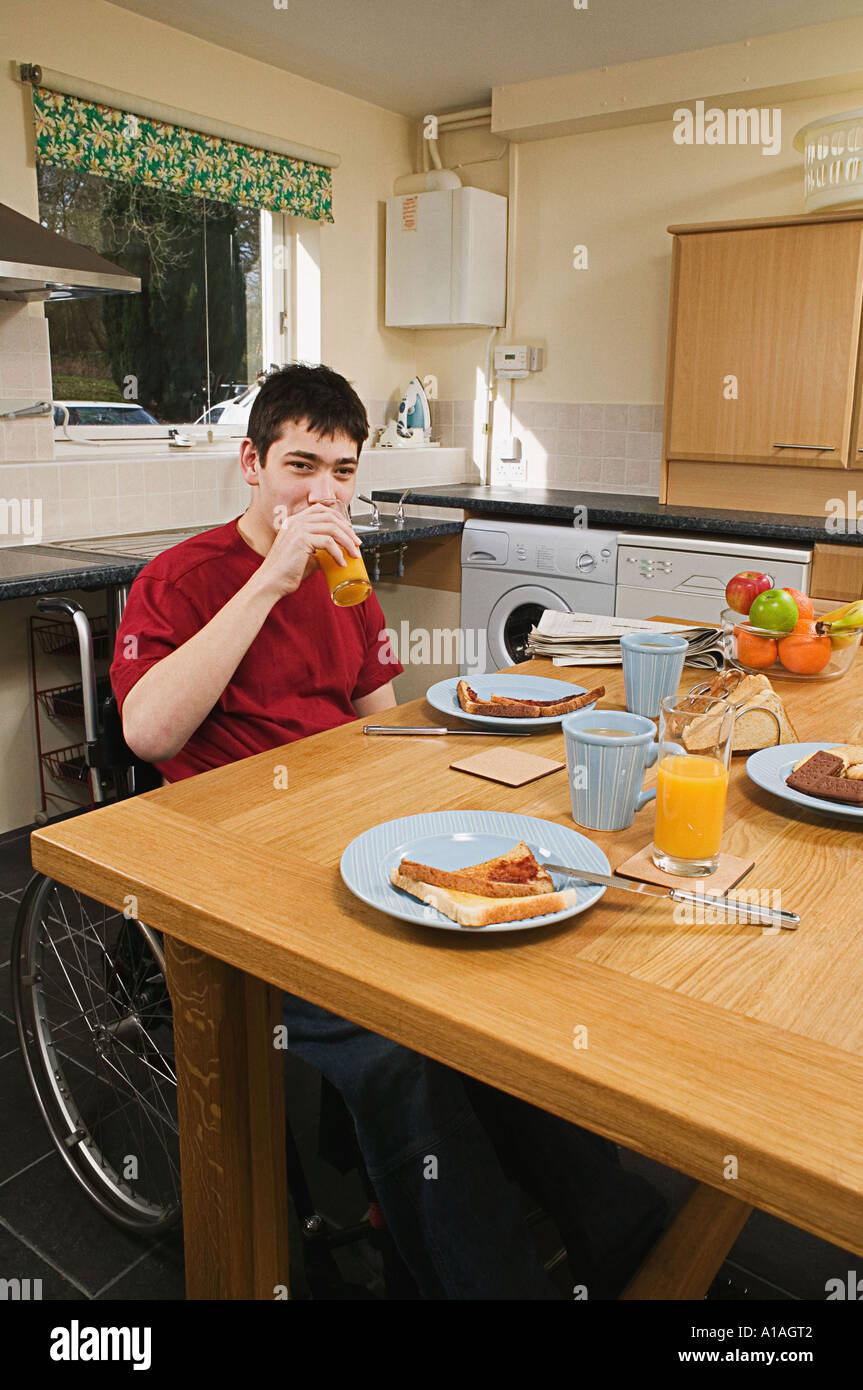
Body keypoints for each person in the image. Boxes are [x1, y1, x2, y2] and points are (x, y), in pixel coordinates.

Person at [110, 363, 668, 1300]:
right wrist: (266, 582)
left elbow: (382, 723)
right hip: (240, 869)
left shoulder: (348, 583)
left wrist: (471, 784)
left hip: (353, 845)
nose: (323, 492)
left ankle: (623, 1236)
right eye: (300, 466)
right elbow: (147, 732)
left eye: (341, 471)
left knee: (512, 995)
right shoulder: (184, 579)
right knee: (398, 1050)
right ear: (250, 464)